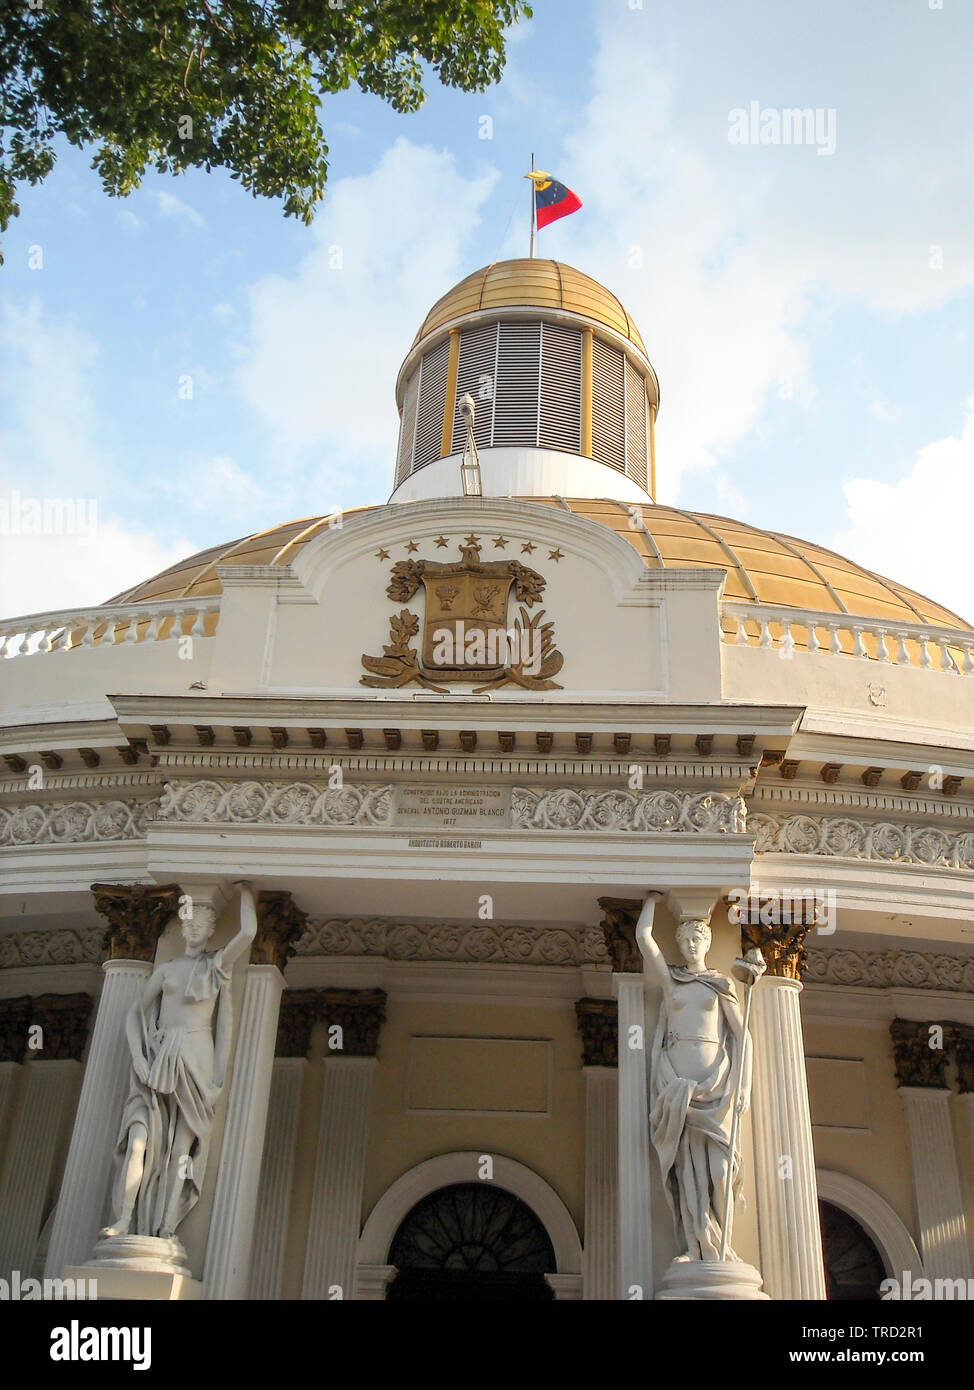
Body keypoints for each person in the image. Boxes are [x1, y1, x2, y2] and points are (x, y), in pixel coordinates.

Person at [101, 881, 257, 1241]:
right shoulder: (168, 969)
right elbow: (134, 1012)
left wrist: (247, 888)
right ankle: (125, 1218)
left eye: (200, 926)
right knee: (140, 1140)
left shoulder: (216, 964)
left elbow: (248, 932)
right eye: (189, 925)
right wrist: (139, 1057)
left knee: (182, 1151)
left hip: (195, 1056)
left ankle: (167, 1224)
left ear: (211, 931)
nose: (193, 930)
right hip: (159, 1055)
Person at [636, 905, 764, 1262]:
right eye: (685, 940)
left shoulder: (719, 984)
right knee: (684, 1171)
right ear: (678, 944)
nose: (691, 945)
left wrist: (744, 1086)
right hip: (677, 1087)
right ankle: (695, 1246)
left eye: (697, 939)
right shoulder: (671, 981)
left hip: (717, 1087)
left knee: (721, 1173)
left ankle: (724, 1251)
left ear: (707, 943)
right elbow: (644, 938)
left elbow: (743, 1038)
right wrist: (650, 897)